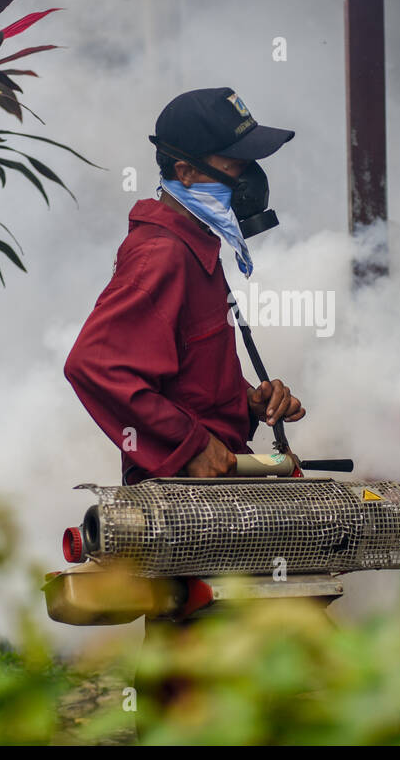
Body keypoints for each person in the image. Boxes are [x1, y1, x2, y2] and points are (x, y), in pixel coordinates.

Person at [64, 85, 306, 484]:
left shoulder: (195, 247)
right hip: (182, 507)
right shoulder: (162, 255)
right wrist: (192, 444)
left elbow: (183, 376)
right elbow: (93, 365)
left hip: (213, 494)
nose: (251, 177)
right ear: (187, 172)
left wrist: (245, 401)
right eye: (236, 162)